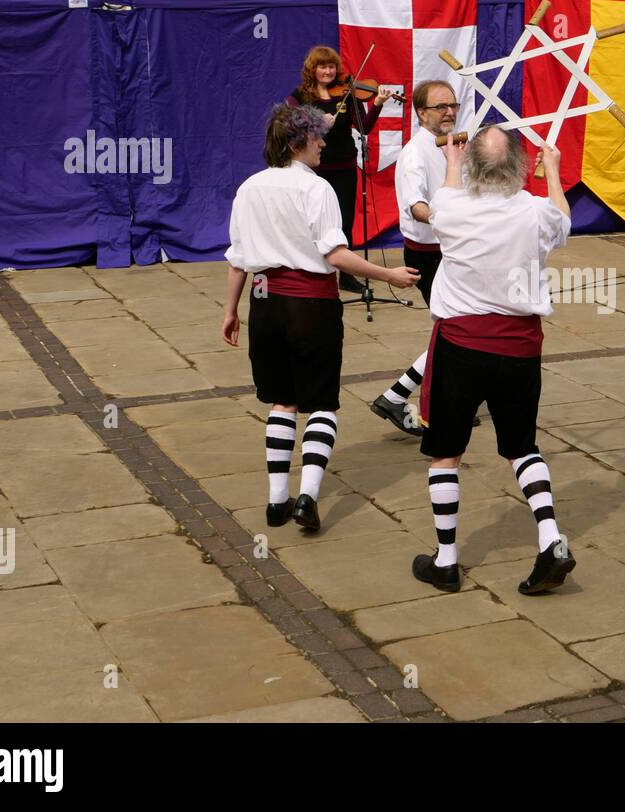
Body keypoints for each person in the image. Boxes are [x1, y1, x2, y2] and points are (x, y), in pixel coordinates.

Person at [222, 104, 419, 532]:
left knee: (283, 401)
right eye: (317, 138)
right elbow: (334, 254)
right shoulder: (318, 189)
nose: (324, 144)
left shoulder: (249, 188)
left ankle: (277, 501)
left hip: (266, 307)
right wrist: (389, 274)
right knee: (322, 404)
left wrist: (230, 310)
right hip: (312, 307)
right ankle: (308, 495)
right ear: (297, 143)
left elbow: (238, 259)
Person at [411, 127, 575, 596]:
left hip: (462, 345)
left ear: (471, 169)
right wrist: (556, 174)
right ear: (521, 167)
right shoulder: (536, 210)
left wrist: (449, 162)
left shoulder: (451, 207)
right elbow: (562, 222)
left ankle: (446, 560)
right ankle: (550, 540)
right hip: (520, 347)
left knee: (445, 452)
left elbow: (444, 196)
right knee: (523, 447)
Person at [370, 80, 459, 438]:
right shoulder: (414, 154)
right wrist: (447, 217)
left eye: (452, 104)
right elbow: (416, 206)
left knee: (457, 328)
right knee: (454, 329)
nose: (450, 111)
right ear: (421, 113)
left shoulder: (451, 146)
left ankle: (419, 398)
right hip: (428, 255)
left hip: (452, 249)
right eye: (440, 107)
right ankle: (400, 396)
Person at [287, 46, 396, 291]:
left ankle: (346, 275)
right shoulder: (299, 96)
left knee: (344, 220)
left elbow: (364, 127)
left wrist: (377, 103)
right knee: (311, 220)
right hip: (313, 169)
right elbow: (289, 128)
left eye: (331, 66)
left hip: (344, 165)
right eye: (322, 66)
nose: (327, 71)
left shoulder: (347, 94)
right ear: (312, 69)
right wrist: (316, 124)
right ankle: (311, 269)